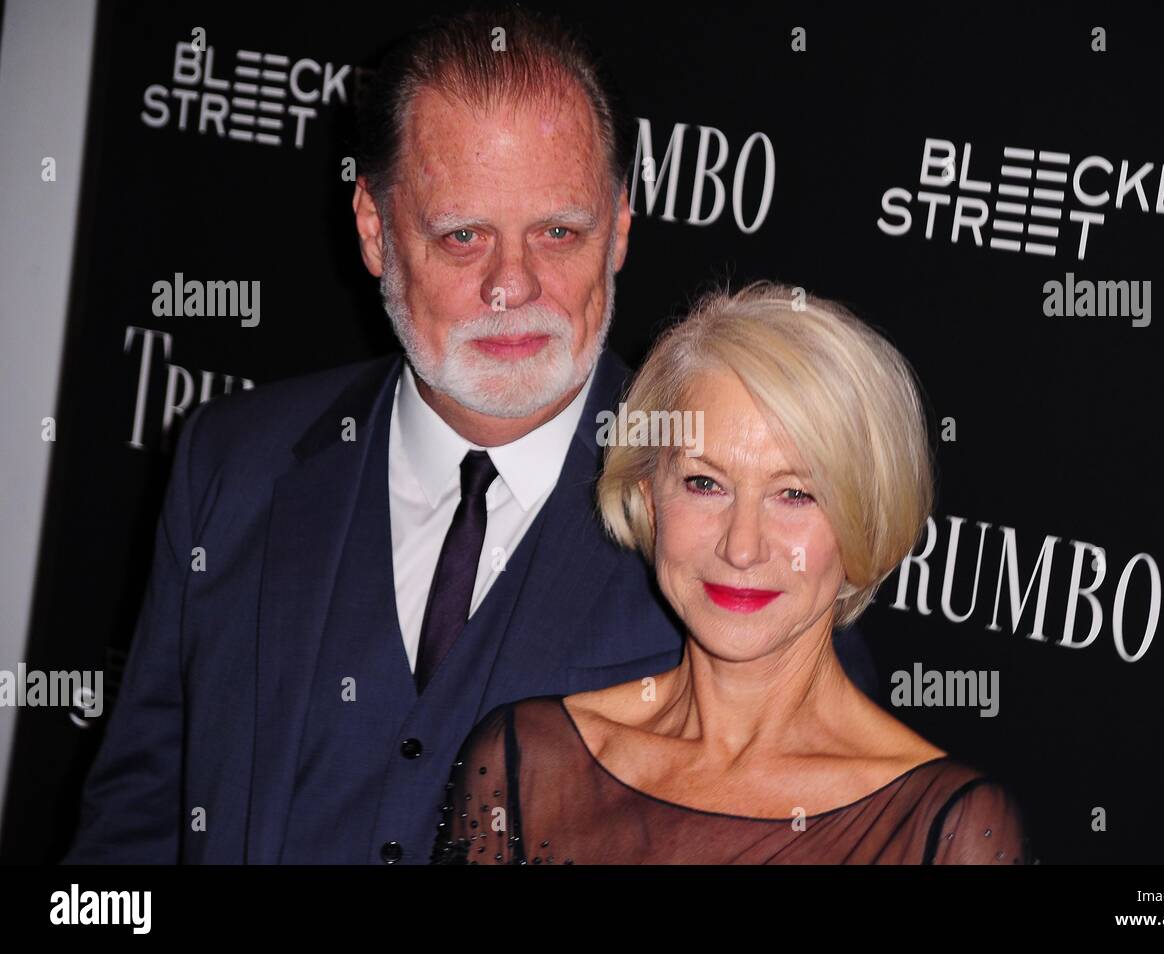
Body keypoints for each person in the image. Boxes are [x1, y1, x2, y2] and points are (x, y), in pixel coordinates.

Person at [62, 8, 882, 864]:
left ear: (621, 229)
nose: (512, 284)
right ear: (376, 231)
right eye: (463, 237)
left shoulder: (738, 526)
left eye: (559, 232)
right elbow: (132, 827)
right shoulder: (232, 464)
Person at [432, 282, 1035, 864]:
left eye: (795, 494)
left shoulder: (944, 831)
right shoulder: (526, 763)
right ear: (648, 497)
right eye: (704, 483)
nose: (741, 548)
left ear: (864, 523)